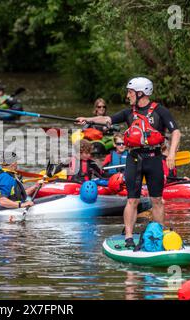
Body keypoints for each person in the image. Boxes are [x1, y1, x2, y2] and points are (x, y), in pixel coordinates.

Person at [77, 77, 181, 248]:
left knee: (157, 200)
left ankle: (159, 234)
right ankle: (128, 236)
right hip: (134, 159)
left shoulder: (160, 111)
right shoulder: (128, 113)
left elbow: (176, 132)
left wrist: (171, 154)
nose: (128, 96)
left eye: (130, 92)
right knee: (132, 200)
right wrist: (88, 120)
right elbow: (107, 119)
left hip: (154, 159)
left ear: (141, 93)